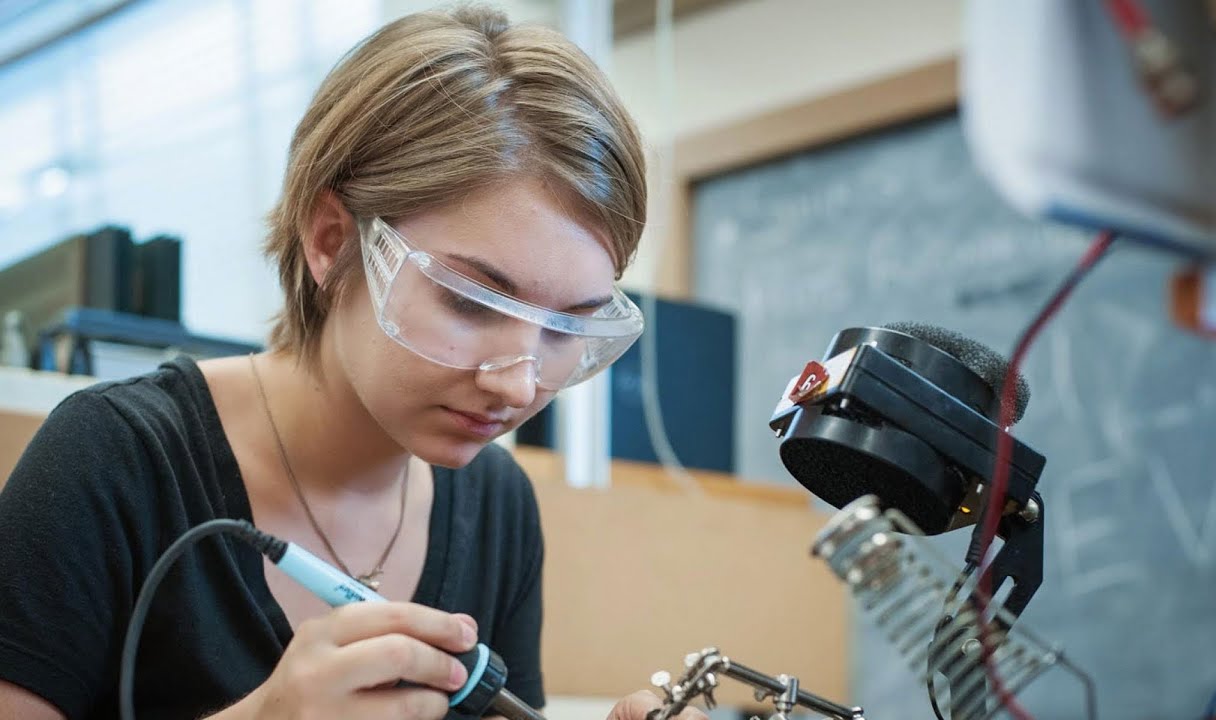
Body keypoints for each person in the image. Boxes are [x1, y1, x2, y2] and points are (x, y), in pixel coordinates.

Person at [0, 6, 699, 720]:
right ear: (332, 240)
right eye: (472, 303)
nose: (518, 384)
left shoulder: (497, 505)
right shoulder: (113, 461)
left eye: (565, 328)